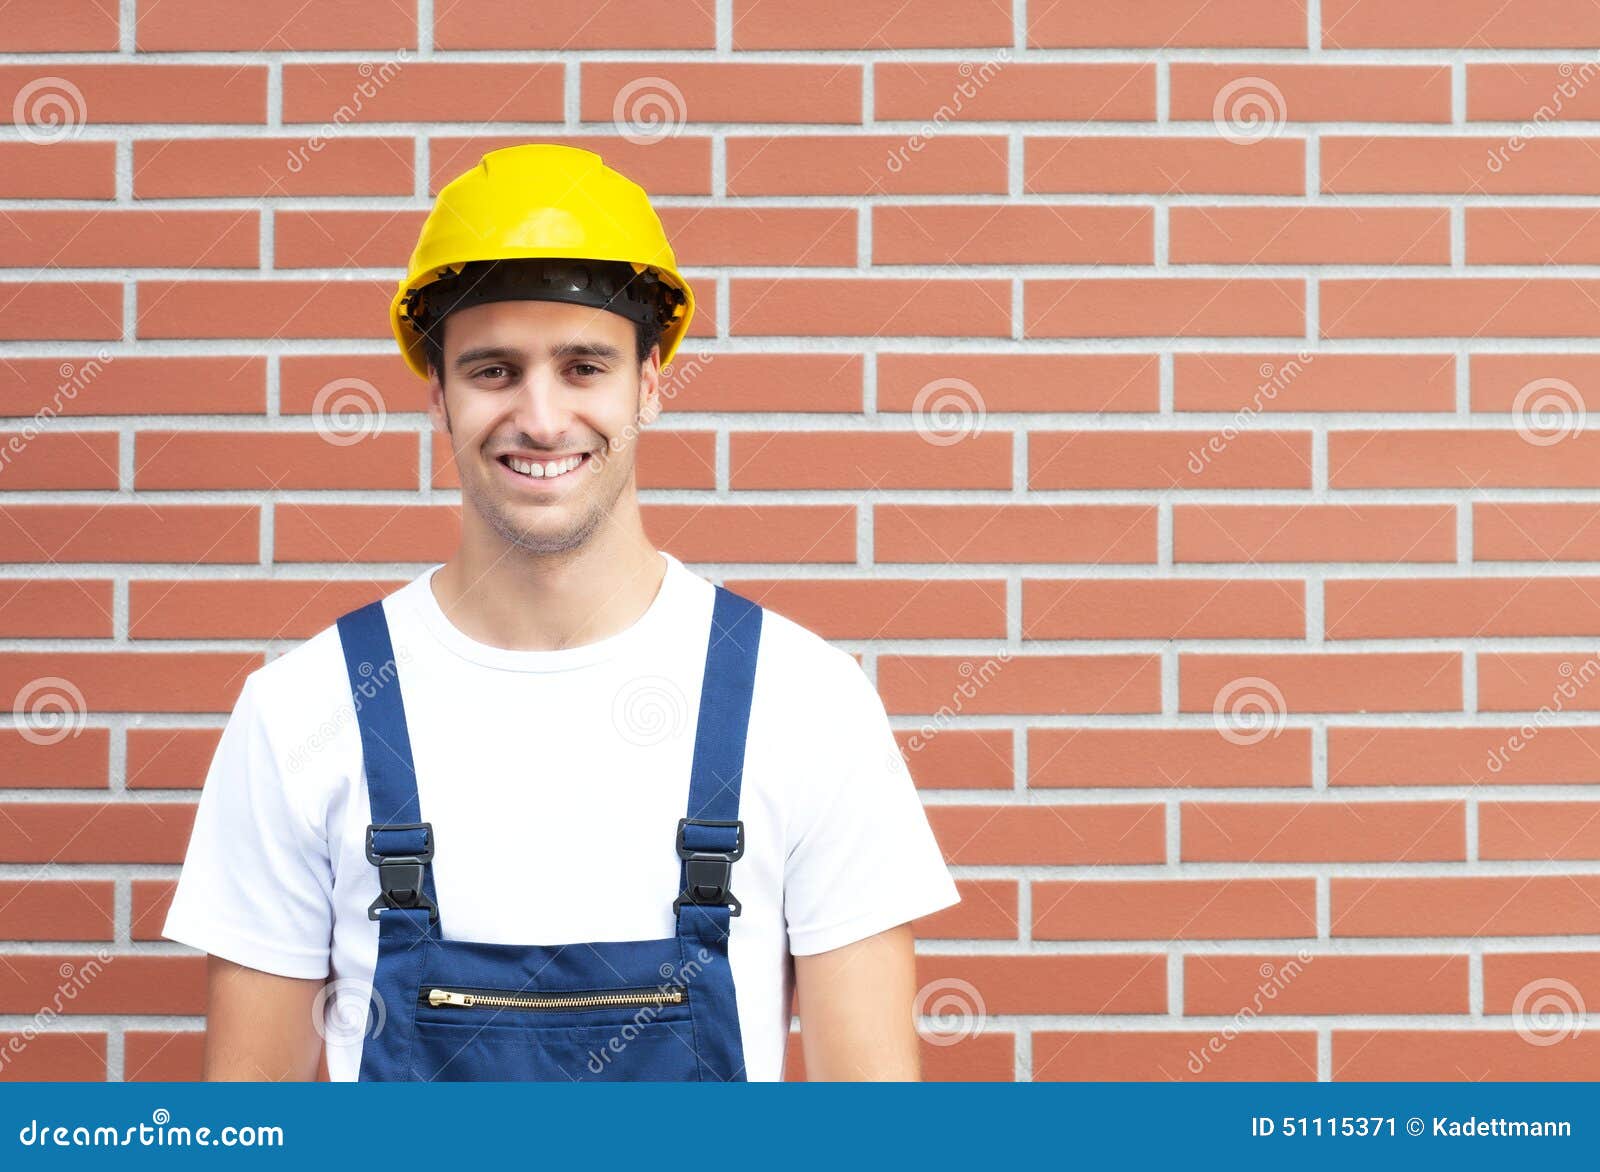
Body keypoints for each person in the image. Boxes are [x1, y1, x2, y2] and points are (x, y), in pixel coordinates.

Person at [161, 142, 960, 1082]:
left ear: (649, 384)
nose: (541, 419)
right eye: (494, 371)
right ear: (438, 395)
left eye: (583, 366)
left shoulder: (806, 701)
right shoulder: (305, 711)